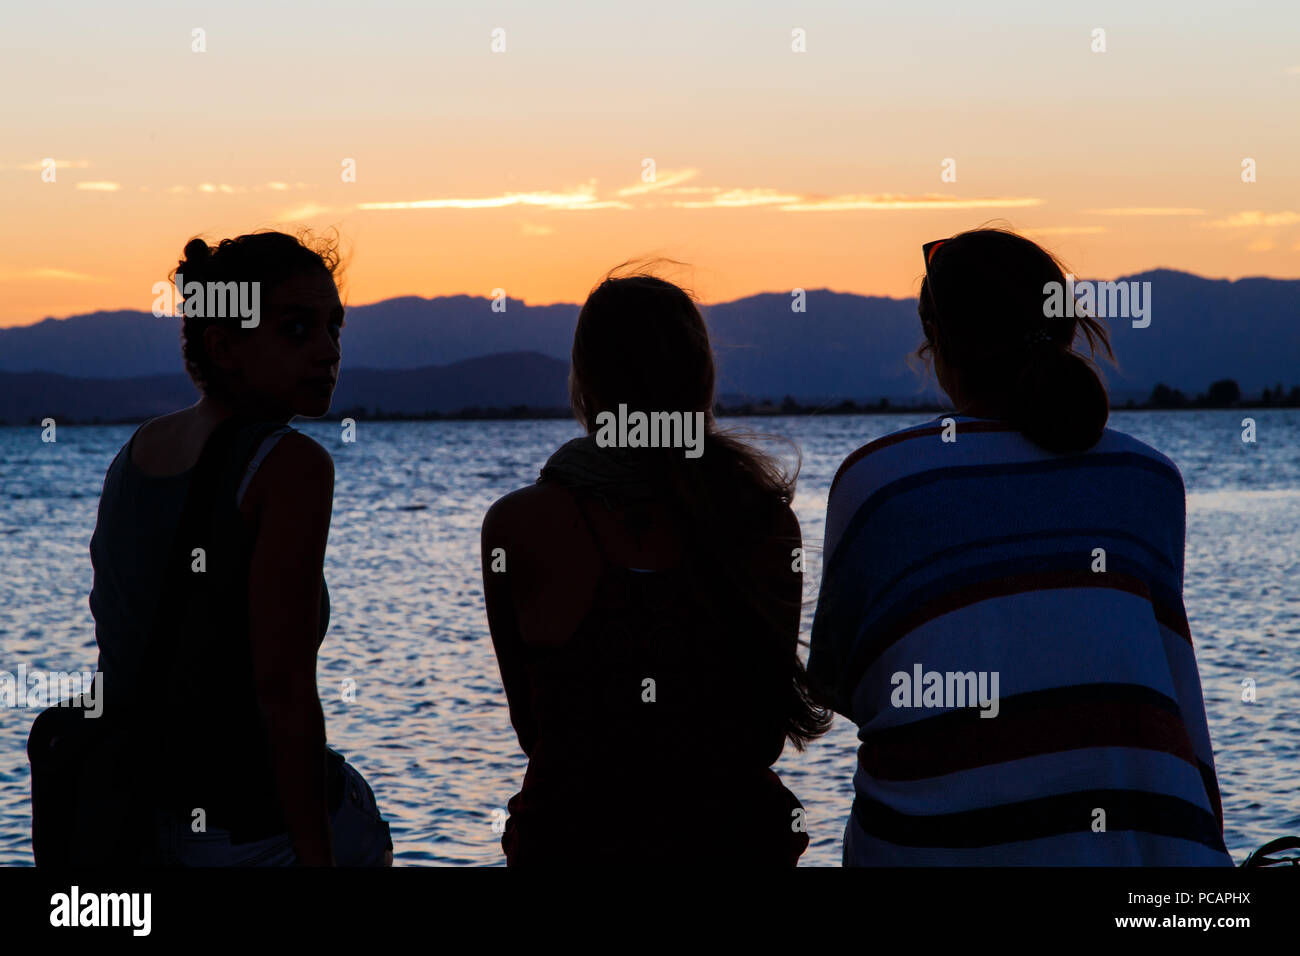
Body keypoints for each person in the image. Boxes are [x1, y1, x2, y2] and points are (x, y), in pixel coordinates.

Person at [808, 227, 1233, 865]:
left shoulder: (880, 480)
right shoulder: (1147, 479)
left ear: (937, 345)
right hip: (1160, 859)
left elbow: (835, 685)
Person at [481, 264, 831, 865]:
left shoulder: (519, 524)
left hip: (570, 839)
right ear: (702, 381)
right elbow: (762, 734)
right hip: (732, 838)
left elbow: (533, 732)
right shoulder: (766, 521)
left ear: (586, 384)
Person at [87, 230, 392, 866]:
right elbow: (282, 688)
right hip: (251, 829)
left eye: (335, 328)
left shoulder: (138, 451)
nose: (329, 351)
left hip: (135, 818)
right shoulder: (291, 465)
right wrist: (314, 856)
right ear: (224, 346)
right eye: (297, 329)